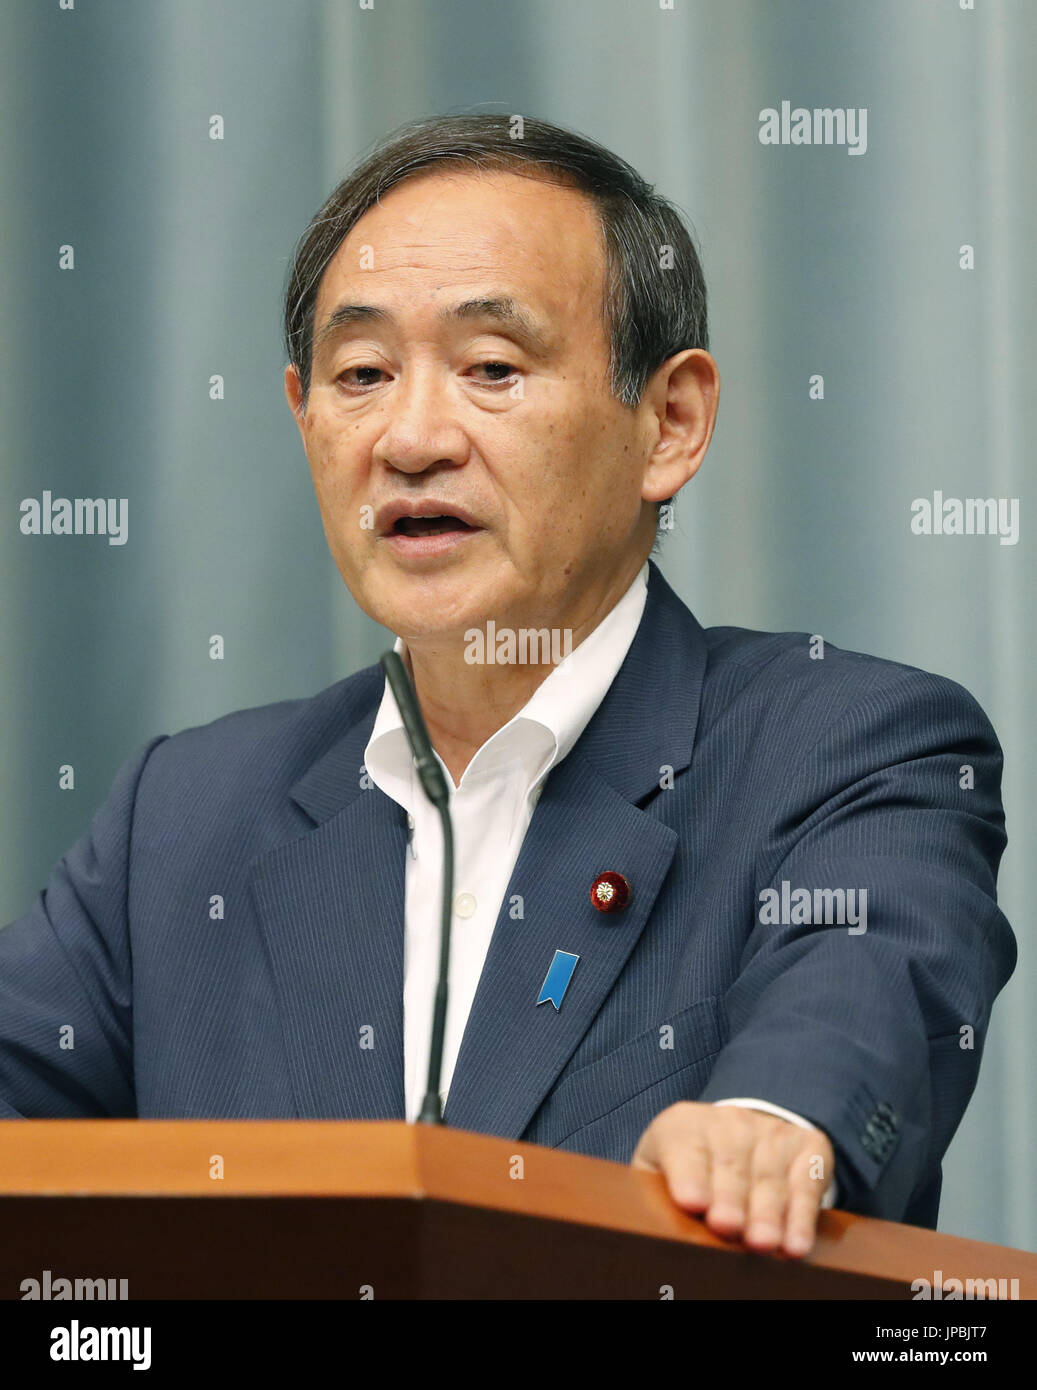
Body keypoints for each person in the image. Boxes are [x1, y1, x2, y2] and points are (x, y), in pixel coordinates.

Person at [0, 115, 1015, 1264]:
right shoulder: (182, 816)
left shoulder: (847, 744)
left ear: (668, 423)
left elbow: (865, 982)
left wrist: (769, 1124)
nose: (411, 437)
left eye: (491, 369)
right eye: (362, 375)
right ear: (303, 417)